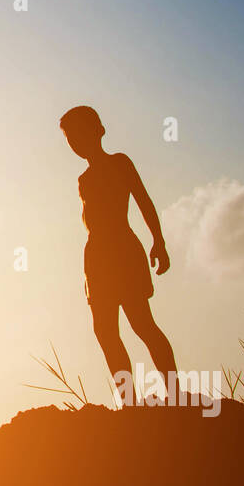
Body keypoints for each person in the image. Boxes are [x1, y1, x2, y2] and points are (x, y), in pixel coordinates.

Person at [59, 105, 178, 406]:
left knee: (142, 324)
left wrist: (159, 241)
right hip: (96, 256)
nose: (74, 142)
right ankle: (130, 402)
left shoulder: (119, 163)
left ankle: (175, 395)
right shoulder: (82, 179)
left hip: (122, 249)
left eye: (79, 133)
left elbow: (143, 200)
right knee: (104, 330)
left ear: (98, 130)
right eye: (69, 137)